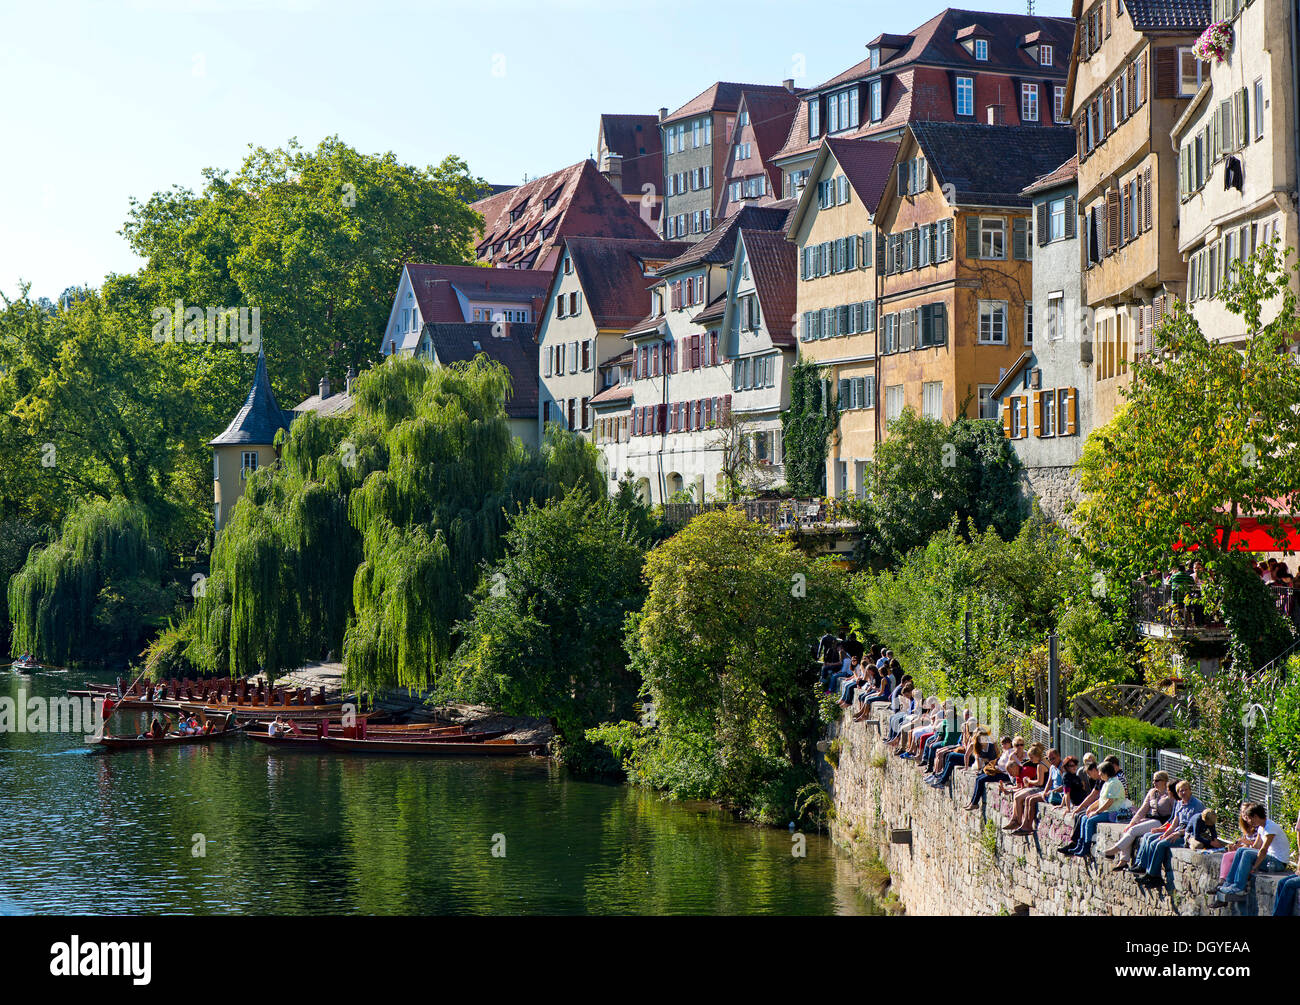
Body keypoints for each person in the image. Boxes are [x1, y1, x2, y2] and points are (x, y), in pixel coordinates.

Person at [1133, 781, 1202, 887]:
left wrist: (1177, 834)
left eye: (1185, 790)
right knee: (1154, 841)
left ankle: (1154, 876)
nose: (1183, 792)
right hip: (1177, 831)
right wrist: (1165, 833)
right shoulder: (1180, 803)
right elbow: (1174, 824)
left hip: (1188, 836)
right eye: (1180, 791)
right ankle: (1148, 872)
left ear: (1190, 790)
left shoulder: (1197, 805)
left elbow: (1195, 828)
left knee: (1160, 845)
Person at [1216, 803, 1291, 901]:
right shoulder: (1261, 827)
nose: (1249, 822)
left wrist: (1254, 867)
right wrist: (1240, 846)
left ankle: (1239, 888)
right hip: (1270, 858)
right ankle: (1228, 883)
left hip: (1278, 863)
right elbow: (1256, 847)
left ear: (1255, 816)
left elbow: (1263, 850)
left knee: (1247, 853)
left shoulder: (1270, 828)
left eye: (1250, 818)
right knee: (1242, 850)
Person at [1105, 771, 1174, 871]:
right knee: (1128, 830)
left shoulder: (1169, 795)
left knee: (1133, 831)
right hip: (1150, 818)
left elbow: (1174, 813)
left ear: (1164, 781)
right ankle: (1123, 861)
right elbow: (1143, 809)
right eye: (1153, 780)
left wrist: (1168, 827)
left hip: (1161, 822)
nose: (1154, 783)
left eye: (1157, 780)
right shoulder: (1152, 792)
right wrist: (1132, 822)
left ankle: (1114, 850)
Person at [1065, 761, 1129, 856]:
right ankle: (1081, 844)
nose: (1099, 774)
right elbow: (1100, 800)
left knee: (1090, 821)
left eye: (1100, 772)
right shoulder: (1107, 783)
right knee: (1084, 818)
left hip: (1113, 813)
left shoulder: (1114, 783)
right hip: (1107, 811)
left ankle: (1086, 847)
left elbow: (1109, 802)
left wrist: (1097, 812)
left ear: (1106, 773)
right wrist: (1090, 808)